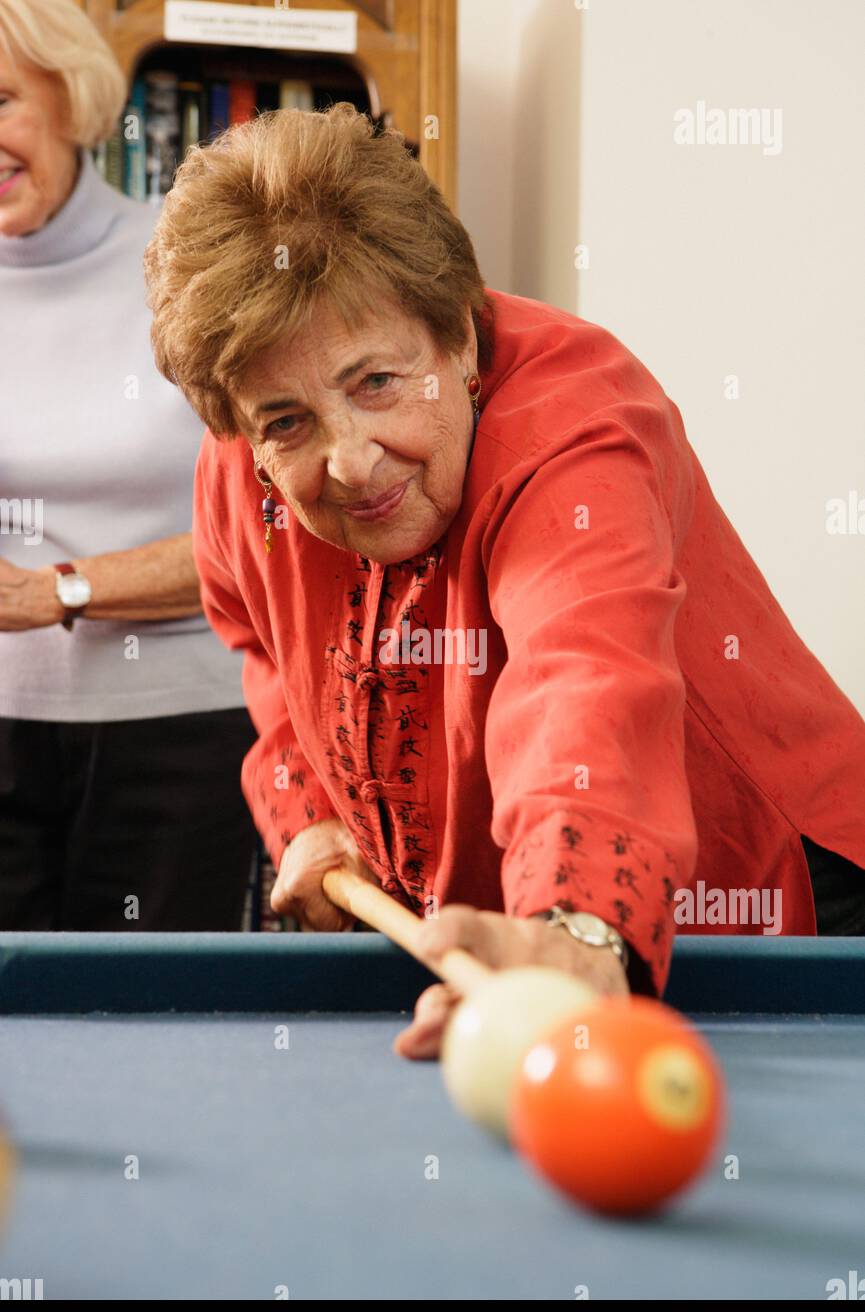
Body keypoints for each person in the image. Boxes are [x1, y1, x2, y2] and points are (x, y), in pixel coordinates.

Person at [143, 102, 865, 1053]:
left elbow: (584, 673)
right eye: (287, 420)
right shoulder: (244, 459)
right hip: (494, 945)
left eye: (375, 384)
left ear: (458, 335)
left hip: (758, 902)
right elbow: (264, 651)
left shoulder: (575, 429)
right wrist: (308, 813)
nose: (351, 462)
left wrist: (576, 928)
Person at [0, 0, 256, 932]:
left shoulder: (189, 266)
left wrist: (55, 591)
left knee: (145, 1036)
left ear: (71, 99)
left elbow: (266, 528)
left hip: (178, 738)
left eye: (0, 100)